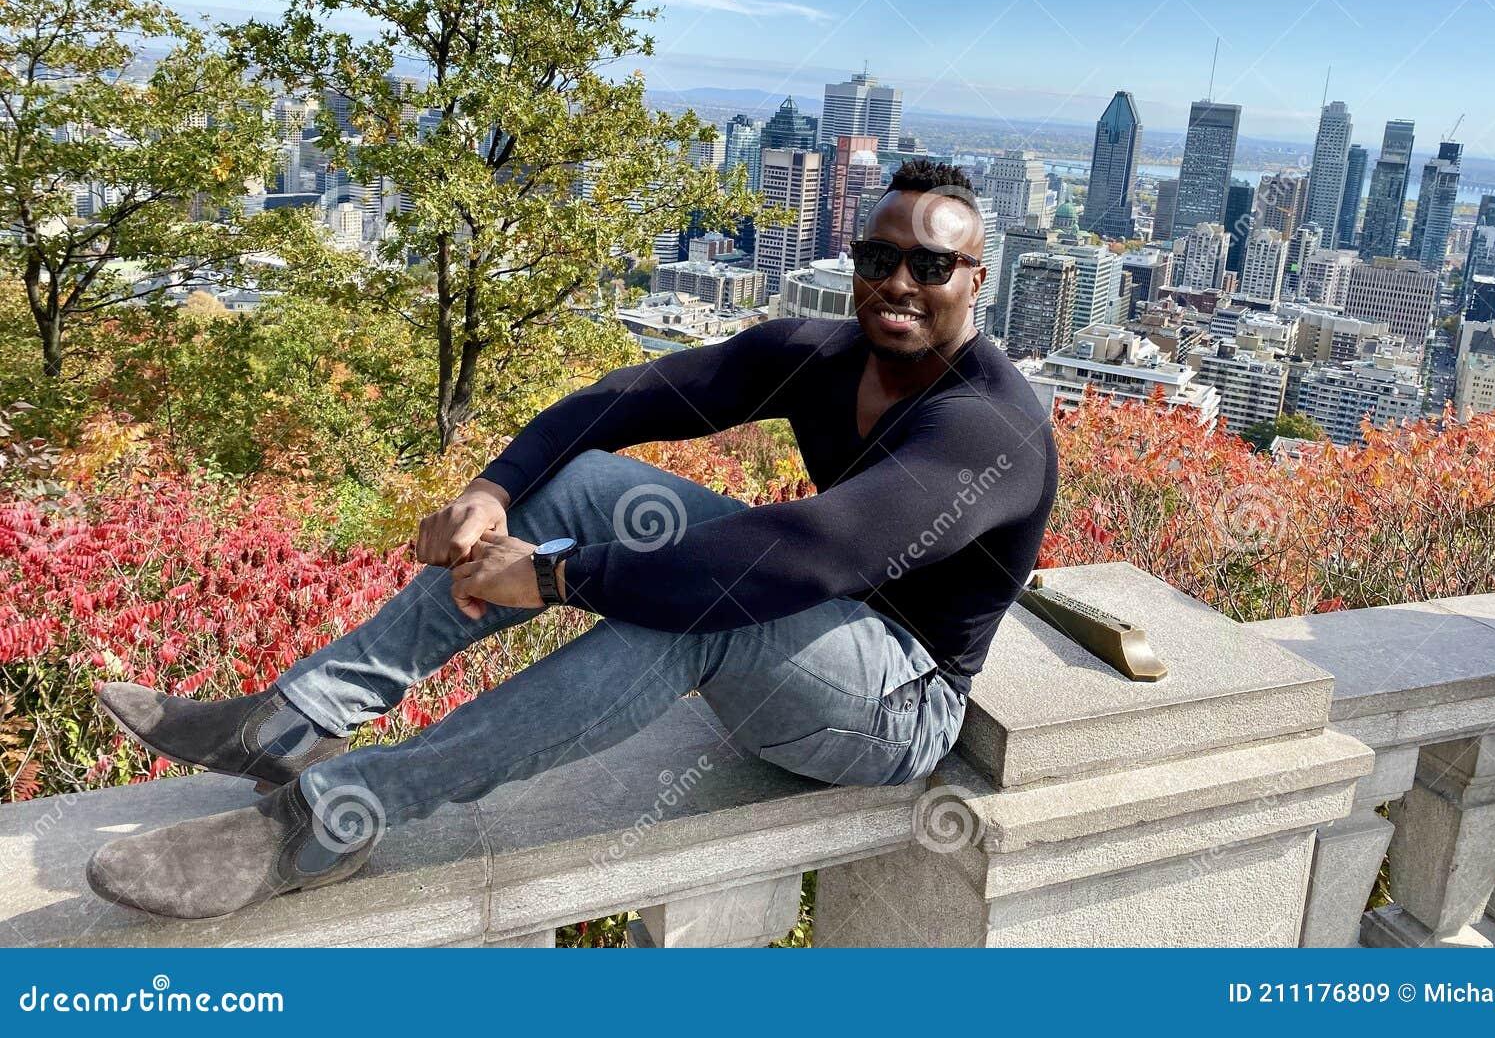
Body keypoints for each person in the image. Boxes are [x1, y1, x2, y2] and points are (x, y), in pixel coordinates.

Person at [84, 160, 1058, 920]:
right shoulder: (823, 355)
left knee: (695, 617)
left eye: (931, 265)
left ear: (977, 278)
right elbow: (620, 401)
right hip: (816, 623)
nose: (898, 282)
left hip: (897, 701)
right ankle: (296, 718)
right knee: (588, 481)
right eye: (878, 258)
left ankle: (331, 818)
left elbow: (803, 553)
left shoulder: (986, 429)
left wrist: (556, 580)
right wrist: (492, 491)